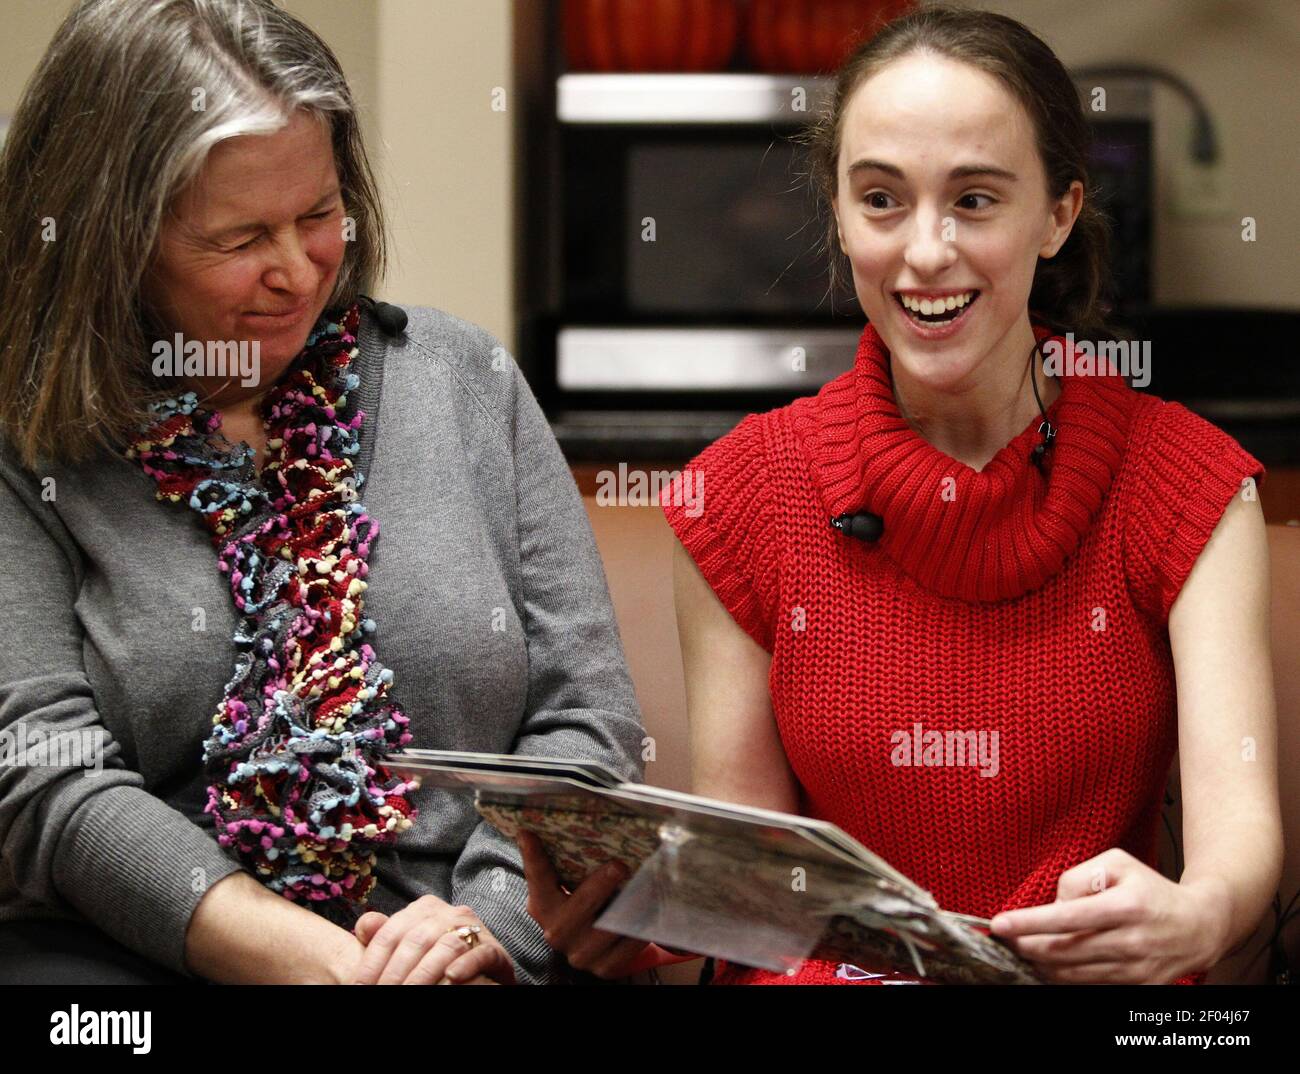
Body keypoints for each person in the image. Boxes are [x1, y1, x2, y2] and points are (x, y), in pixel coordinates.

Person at [521, 4, 1282, 985]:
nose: (925, 252)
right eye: (882, 199)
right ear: (838, 213)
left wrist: (1198, 915)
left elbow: (1237, 838)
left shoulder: (1191, 486)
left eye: (974, 200)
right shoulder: (739, 498)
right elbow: (750, 883)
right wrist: (637, 932)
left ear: (1056, 213)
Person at [0, 0, 643, 986]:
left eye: (318, 214)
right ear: (110, 242)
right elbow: (44, 774)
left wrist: (489, 929)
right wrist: (335, 969)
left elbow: (586, 725)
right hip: (140, 961)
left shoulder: (460, 377)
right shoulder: (32, 438)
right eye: (238, 237)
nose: (297, 270)